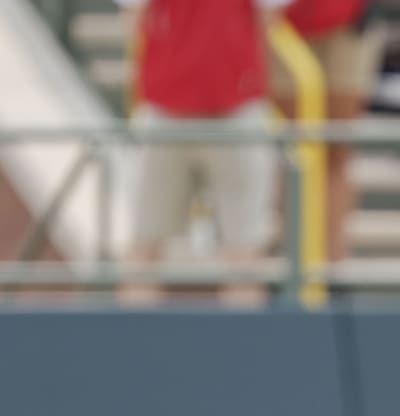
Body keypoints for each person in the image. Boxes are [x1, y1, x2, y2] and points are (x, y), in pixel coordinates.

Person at [116, 0, 289, 306]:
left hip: (220, 109)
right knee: (148, 245)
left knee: (241, 251)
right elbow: (269, 18)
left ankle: (134, 344)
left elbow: (133, 18)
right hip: (187, 108)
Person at [272, 0, 386, 261]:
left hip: (347, 23)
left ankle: (333, 260)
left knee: (337, 150)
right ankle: (295, 256)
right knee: (295, 153)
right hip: (282, 24)